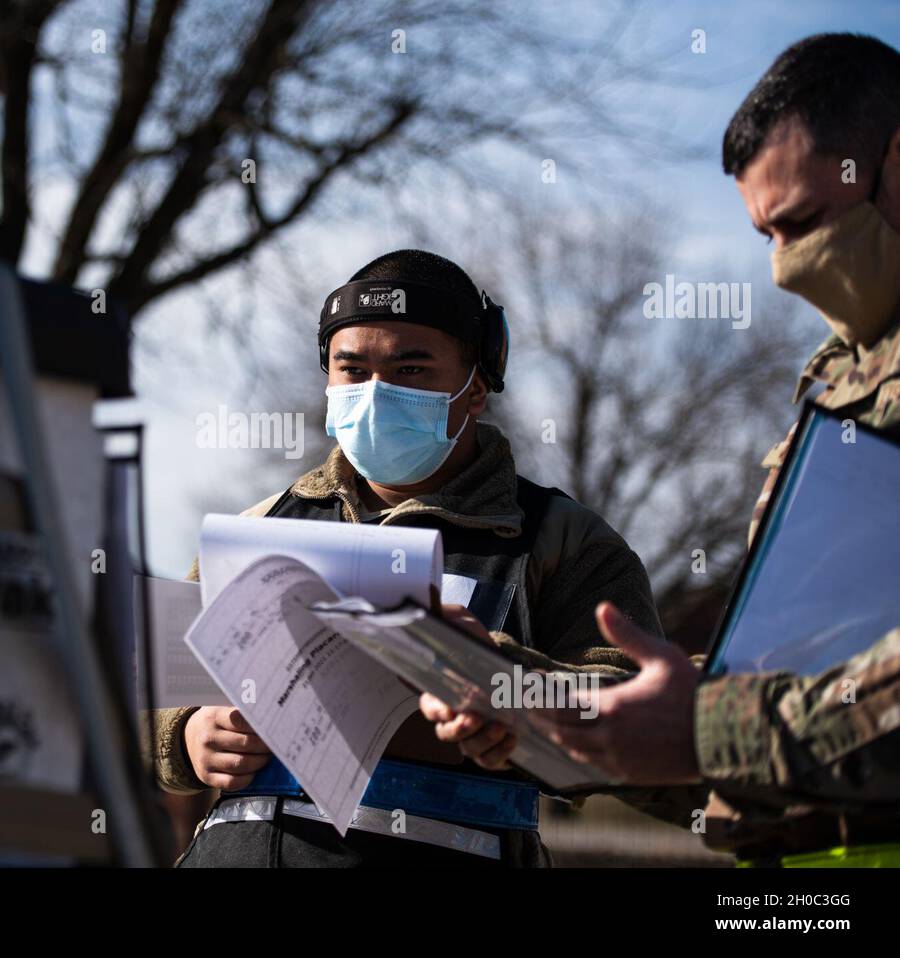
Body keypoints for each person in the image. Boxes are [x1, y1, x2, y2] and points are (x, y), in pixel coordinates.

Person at [441, 33, 900, 868]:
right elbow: (777, 696)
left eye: (800, 223)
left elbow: (730, 725)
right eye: (764, 234)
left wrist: (704, 730)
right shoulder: (837, 382)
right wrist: (532, 698)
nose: (782, 268)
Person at [149, 249, 667, 867]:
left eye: (411, 369)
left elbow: (638, 722)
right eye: (353, 370)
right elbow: (166, 690)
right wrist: (188, 735)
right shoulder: (257, 528)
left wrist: (506, 695)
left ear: (476, 386)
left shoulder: (565, 542)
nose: (377, 393)